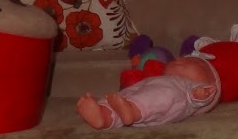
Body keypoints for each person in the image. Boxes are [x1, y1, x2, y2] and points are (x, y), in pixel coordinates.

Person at [77, 55, 221, 128]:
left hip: (171, 98)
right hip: (140, 103)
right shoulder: (159, 80)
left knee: (161, 96)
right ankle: (103, 115)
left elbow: (204, 96)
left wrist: (201, 94)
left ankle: (130, 111)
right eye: (184, 58)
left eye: (196, 63)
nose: (182, 59)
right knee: (123, 96)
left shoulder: (187, 90)